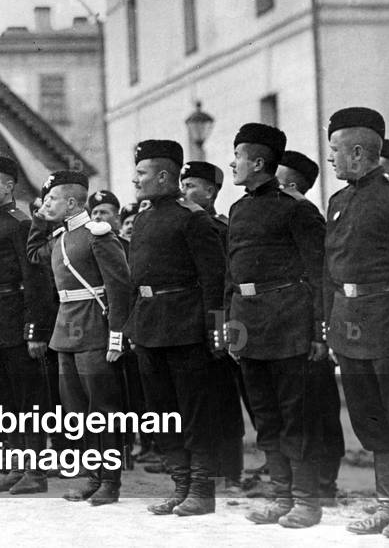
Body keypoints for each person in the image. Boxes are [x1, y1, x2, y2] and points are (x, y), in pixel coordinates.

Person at [224, 124, 328, 528]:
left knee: (293, 415)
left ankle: (306, 501)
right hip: (247, 323)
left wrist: (319, 332)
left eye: (238, 156)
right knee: (264, 416)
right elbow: (228, 280)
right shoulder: (238, 209)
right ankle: (279, 496)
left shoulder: (296, 209)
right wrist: (226, 329)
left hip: (288, 322)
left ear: (259, 162)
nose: (233, 163)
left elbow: (319, 273)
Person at [128, 140, 226, 517]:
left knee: (195, 410)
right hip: (150, 327)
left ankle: (201, 490)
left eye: (141, 173)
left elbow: (214, 281)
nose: (135, 180)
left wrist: (216, 335)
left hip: (187, 329)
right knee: (161, 412)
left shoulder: (193, 219)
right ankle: (181, 486)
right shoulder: (145, 217)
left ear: (164, 175)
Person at [28, 170, 131, 505]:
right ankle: (93, 476)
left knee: (102, 409)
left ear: (71, 202)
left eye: (52, 199)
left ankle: (110, 482)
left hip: (94, 330)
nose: (46, 205)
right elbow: (33, 255)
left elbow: (119, 287)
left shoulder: (97, 235)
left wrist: (117, 334)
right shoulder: (57, 239)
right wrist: (40, 220)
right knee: (77, 412)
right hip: (66, 331)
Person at [323, 107, 389, 537]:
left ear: (359, 152)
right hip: (349, 324)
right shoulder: (338, 201)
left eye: (336, 150)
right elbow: (332, 268)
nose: (331, 159)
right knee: (370, 420)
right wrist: (331, 326)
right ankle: (386, 506)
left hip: (386, 320)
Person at [0, 155, 54, 495]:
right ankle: (16, 467)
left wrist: (35, 330)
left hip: (15, 325)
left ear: (9, 186)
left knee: (28, 401)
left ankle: (35, 473)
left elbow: (35, 279)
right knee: (3, 403)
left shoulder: (21, 223)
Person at [277, 150, 346, 504]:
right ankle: (305, 481)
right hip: (289, 327)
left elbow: (321, 275)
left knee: (318, 406)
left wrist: (320, 332)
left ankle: (324, 484)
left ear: (289, 184)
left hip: (307, 327)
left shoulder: (305, 215)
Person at [179, 161, 246, 488]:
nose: (184, 190)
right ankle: (203, 471)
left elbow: (224, 283)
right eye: (183, 183)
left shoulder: (222, 228)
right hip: (188, 323)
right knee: (195, 398)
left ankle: (231, 472)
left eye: (192, 185)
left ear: (210, 191)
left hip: (218, 319)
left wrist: (220, 332)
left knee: (224, 395)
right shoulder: (179, 225)